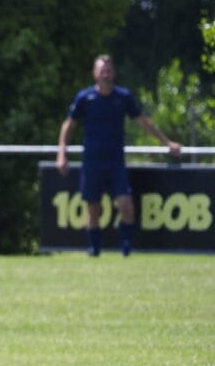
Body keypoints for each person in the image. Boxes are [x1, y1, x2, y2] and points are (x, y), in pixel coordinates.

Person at [56, 54, 182, 256]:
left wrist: (167, 143)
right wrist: (61, 153)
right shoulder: (84, 98)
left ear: (113, 73)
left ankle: (126, 250)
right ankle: (94, 250)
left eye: (108, 70)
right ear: (94, 73)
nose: (105, 74)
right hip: (92, 162)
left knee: (126, 205)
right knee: (93, 208)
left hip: (115, 163)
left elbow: (143, 122)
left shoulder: (123, 97)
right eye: (101, 70)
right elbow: (68, 125)